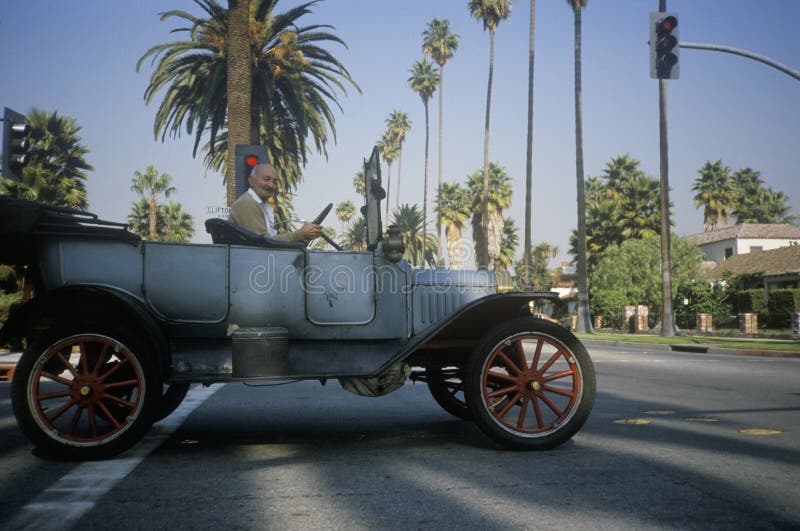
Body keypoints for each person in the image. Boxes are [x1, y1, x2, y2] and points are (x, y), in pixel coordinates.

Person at [229, 163, 323, 243]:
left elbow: (268, 241)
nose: (271, 185)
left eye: (274, 181)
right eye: (266, 179)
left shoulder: (262, 205)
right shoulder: (247, 203)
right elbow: (262, 244)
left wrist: (304, 237)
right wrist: (300, 234)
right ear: (252, 181)